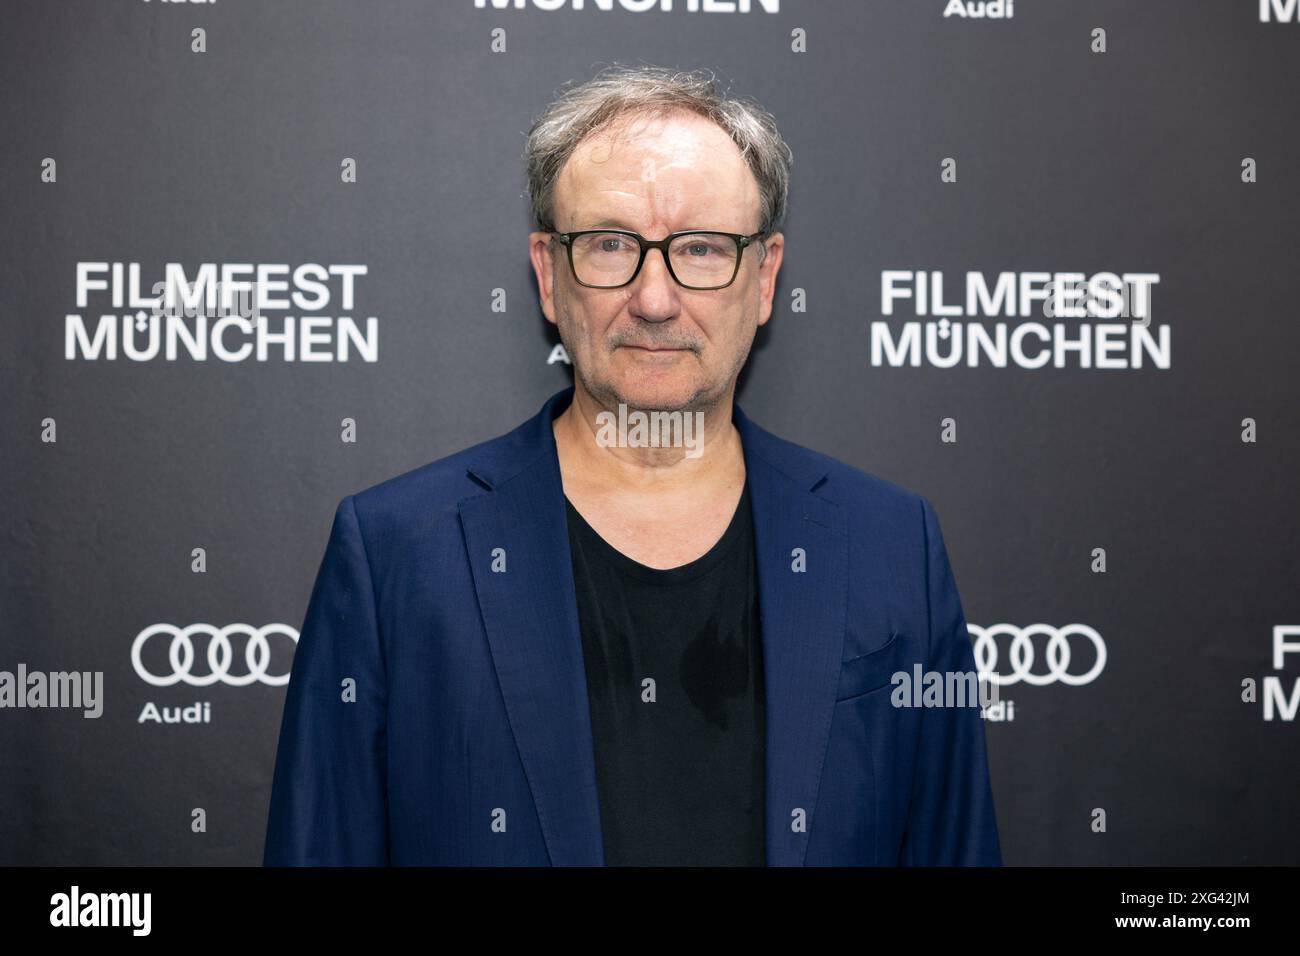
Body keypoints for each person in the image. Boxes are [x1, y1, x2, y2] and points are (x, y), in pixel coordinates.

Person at [263, 65, 1001, 866]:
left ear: (765, 277)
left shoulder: (893, 547)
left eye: (703, 248)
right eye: (610, 244)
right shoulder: (396, 555)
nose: (654, 298)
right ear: (548, 274)